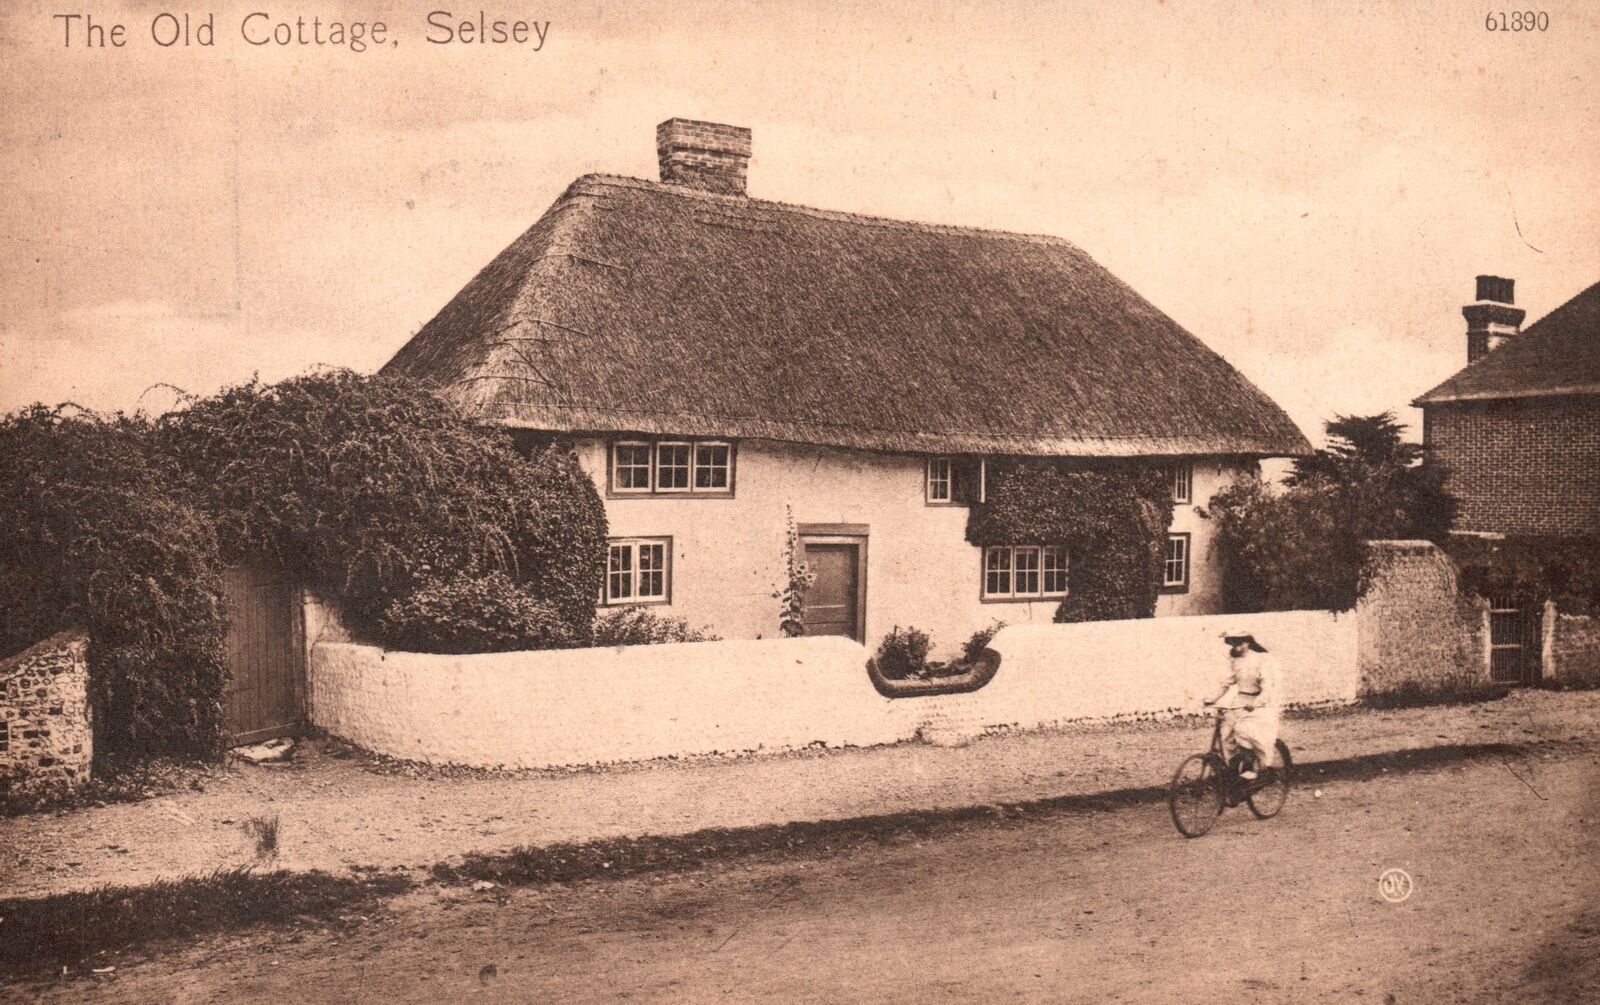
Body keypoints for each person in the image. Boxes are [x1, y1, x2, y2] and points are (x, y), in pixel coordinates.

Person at [1203, 629, 1281, 779]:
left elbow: (1268, 687)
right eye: (1233, 643)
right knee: (1227, 734)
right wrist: (1211, 699)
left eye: (1240, 643)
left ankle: (1249, 767)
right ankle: (1233, 772)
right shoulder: (1235, 661)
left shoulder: (1262, 659)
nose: (1236, 647)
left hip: (1260, 705)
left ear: (1248, 642)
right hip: (1241, 701)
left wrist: (1257, 703)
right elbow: (1227, 682)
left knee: (1245, 731)